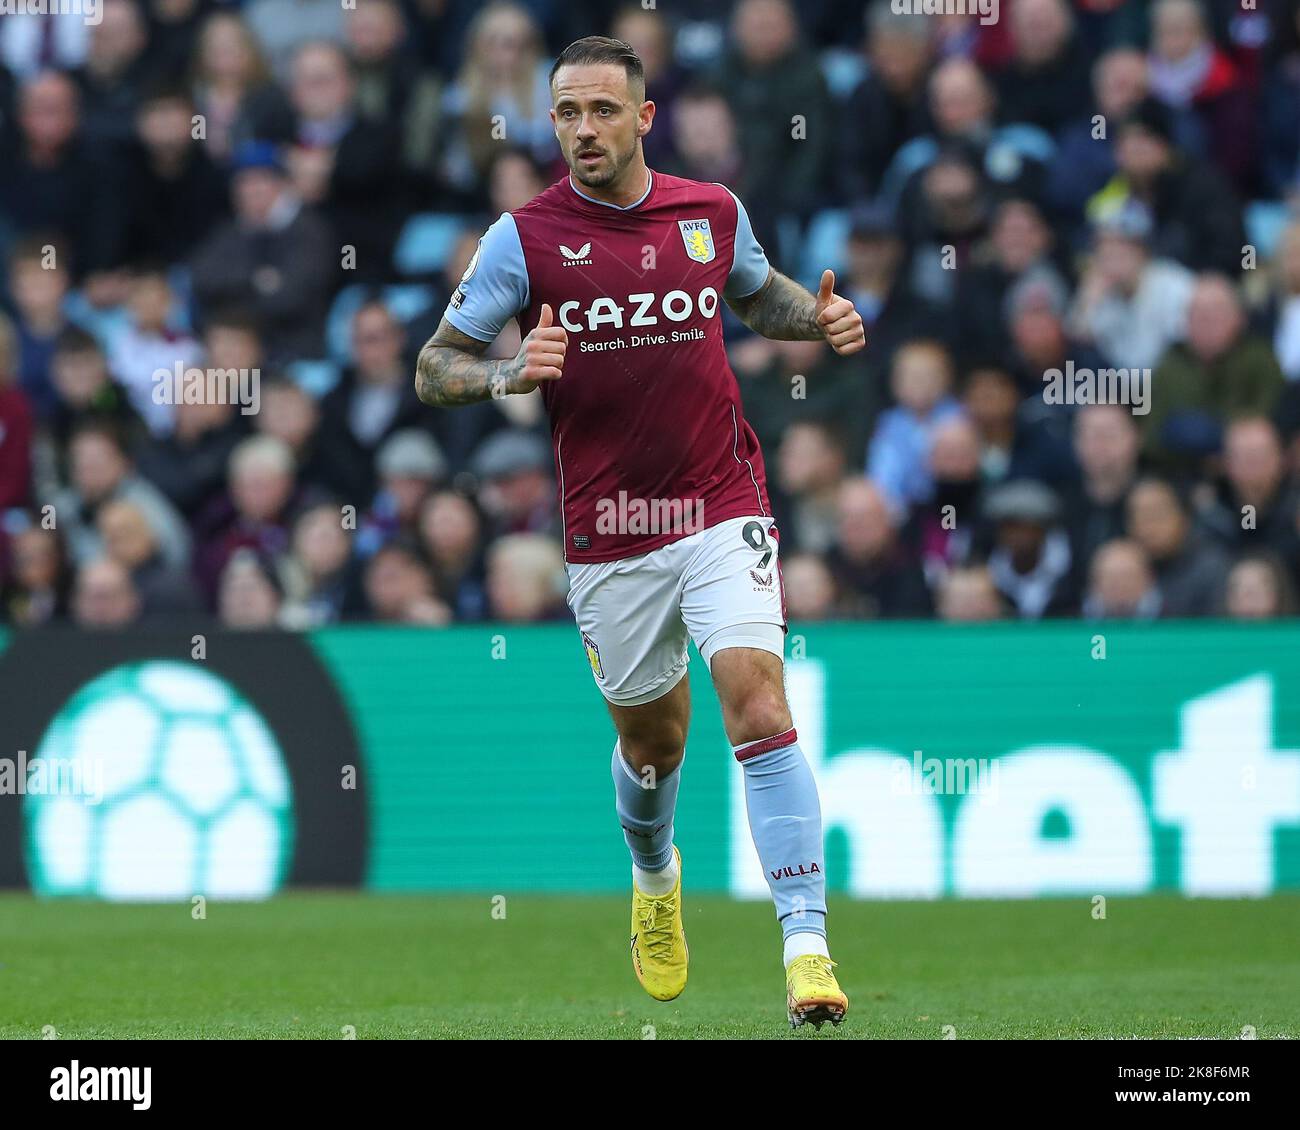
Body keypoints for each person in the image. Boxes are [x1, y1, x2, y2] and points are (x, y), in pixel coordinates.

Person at [413, 37, 865, 1028]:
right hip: (611, 531)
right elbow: (433, 366)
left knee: (754, 698)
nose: (581, 130)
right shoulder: (520, 241)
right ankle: (653, 870)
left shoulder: (709, 211)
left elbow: (757, 294)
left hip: (719, 500)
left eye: (601, 111)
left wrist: (815, 318)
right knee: (654, 745)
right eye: (566, 112)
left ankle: (805, 945)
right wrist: (502, 373)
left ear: (643, 118)